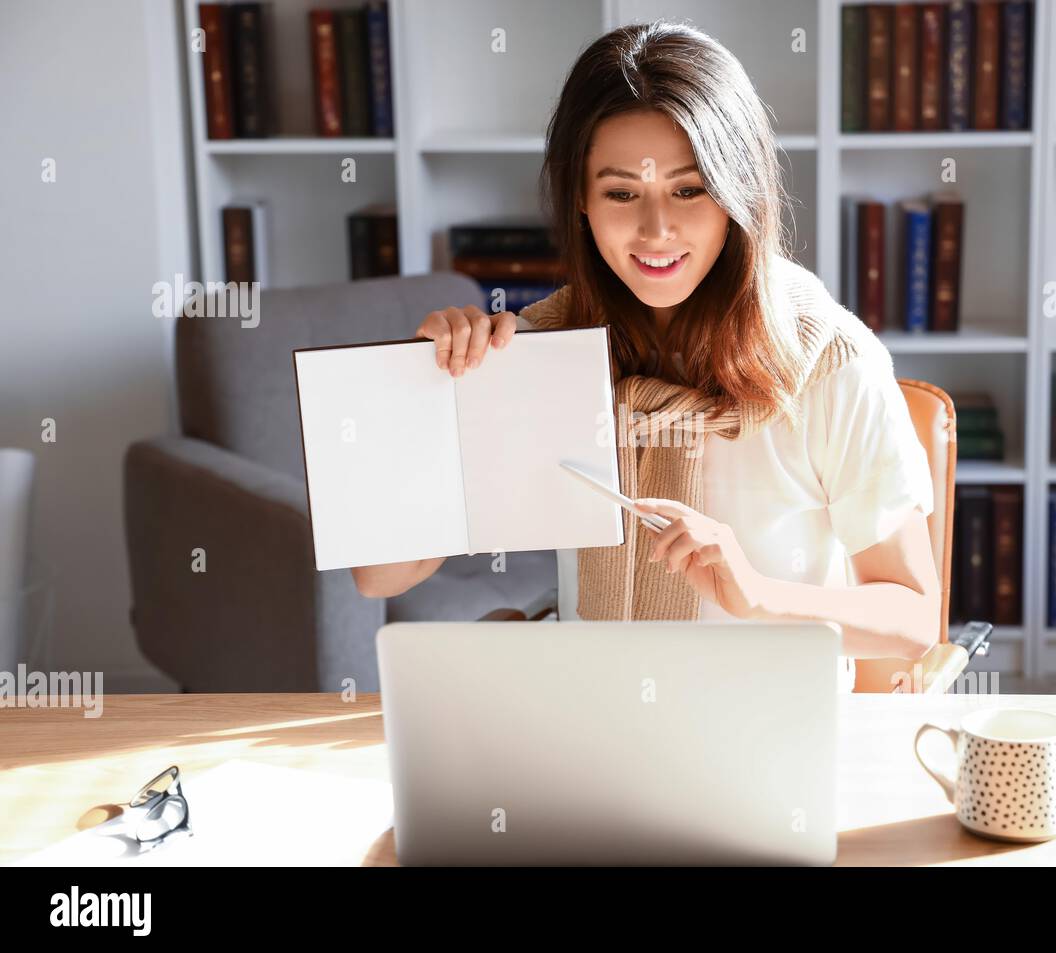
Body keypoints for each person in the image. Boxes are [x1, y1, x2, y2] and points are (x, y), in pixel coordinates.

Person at [350, 20, 940, 688]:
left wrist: (759, 593)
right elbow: (381, 574)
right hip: (595, 727)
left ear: (737, 191)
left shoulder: (828, 361)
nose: (656, 231)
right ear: (580, 199)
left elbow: (915, 622)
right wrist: (431, 401)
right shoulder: (543, 354)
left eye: (689, 190)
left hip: (769, 738)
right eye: (622, 193)